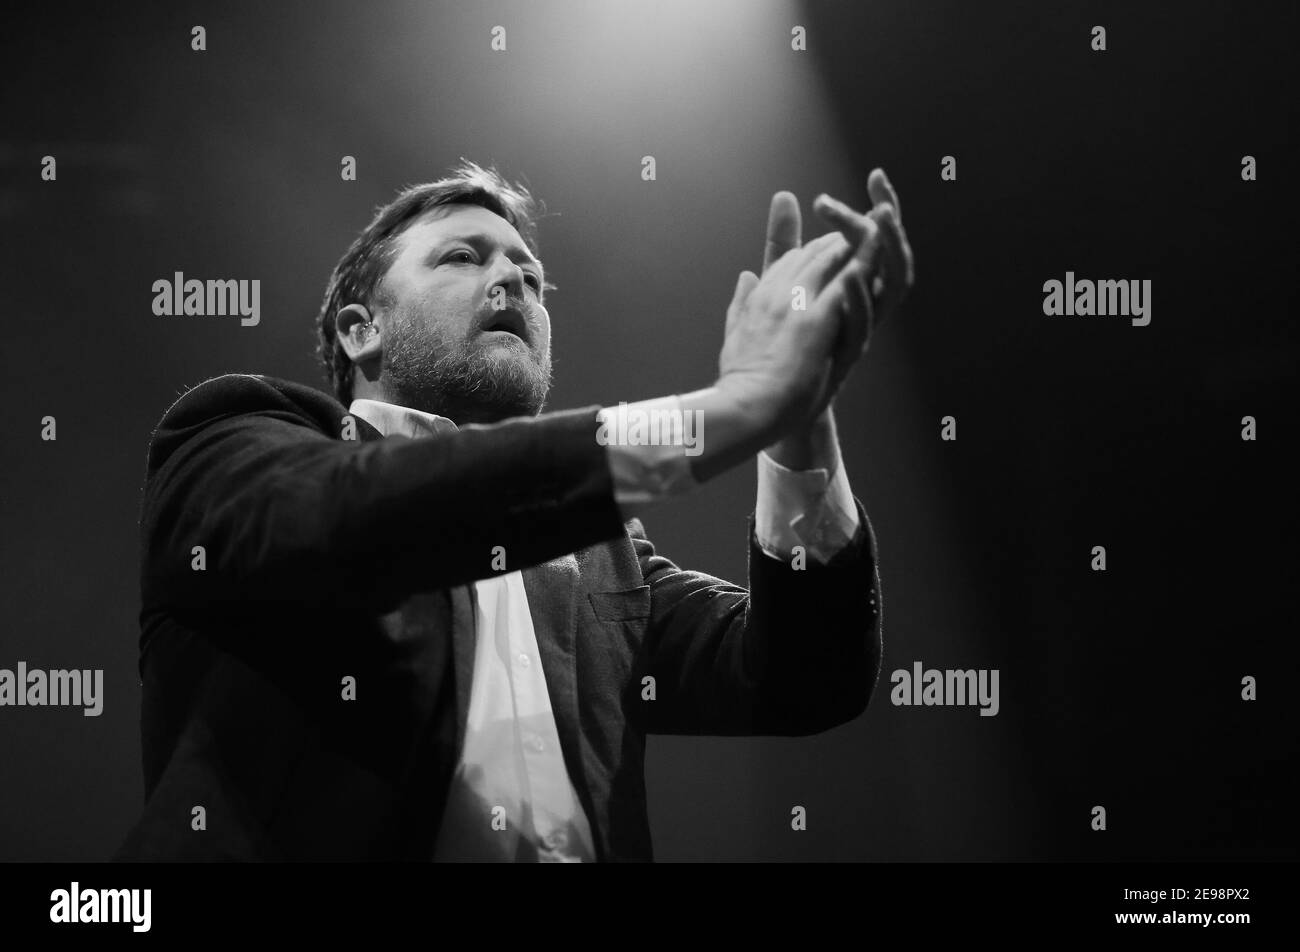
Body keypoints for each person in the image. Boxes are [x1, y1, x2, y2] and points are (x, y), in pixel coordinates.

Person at [113, 159, 914, 861]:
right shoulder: (230, 439)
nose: (513, 285)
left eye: (533, 278)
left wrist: (799, 420)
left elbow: (805, 677)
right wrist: (731, 409)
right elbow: (363, 514)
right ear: (362, 332)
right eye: (463, 257)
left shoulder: (607, 555)